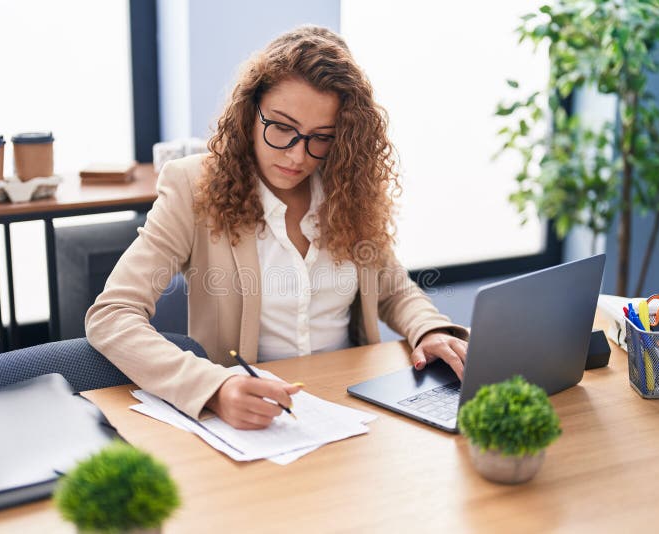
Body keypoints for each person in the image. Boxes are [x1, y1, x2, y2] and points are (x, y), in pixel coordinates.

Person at [86, 26, 469, 430]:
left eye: (320, 137)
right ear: (251, 113)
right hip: (254, 413)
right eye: (282, 128)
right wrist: (213, 386)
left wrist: (429, 329)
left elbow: (391, 289)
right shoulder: (192, 186)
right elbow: (112, 314)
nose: (297, 155)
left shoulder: (346, 189)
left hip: (352, 403)